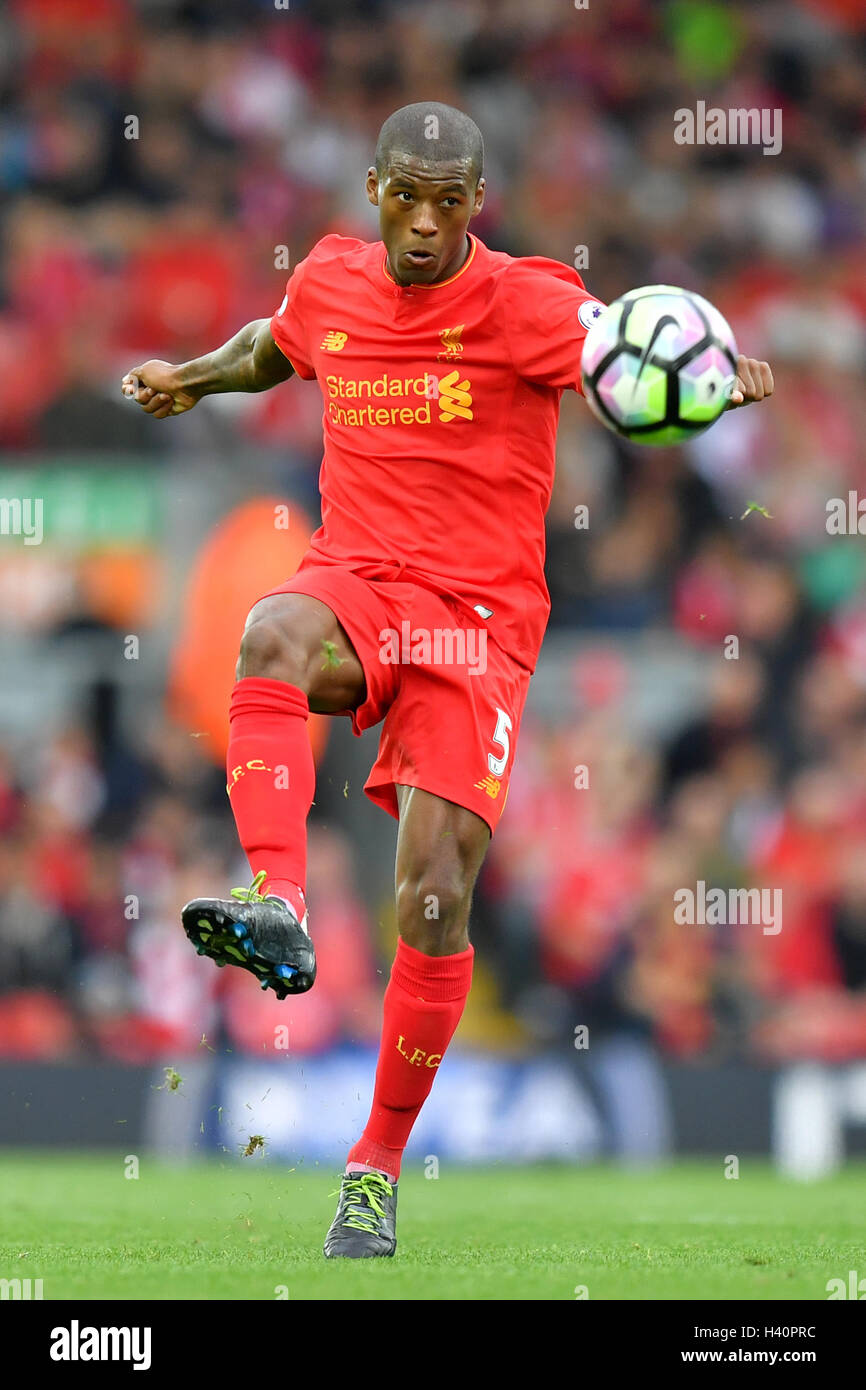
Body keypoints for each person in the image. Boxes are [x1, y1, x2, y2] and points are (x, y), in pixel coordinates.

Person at [122, 101, 774, 1258]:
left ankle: (370, 1169)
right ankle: (276, 897)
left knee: (432, 892)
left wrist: (706, 372)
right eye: (404, 196)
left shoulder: (525, 300)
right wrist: (194, 375)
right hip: (359, 583)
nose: (423, 222)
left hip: (478, 628)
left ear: (478, 203)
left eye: (448, 200)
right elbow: (276, 342)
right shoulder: (328, 280)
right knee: (272, 629)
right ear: (372, 190)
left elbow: (612, 346)